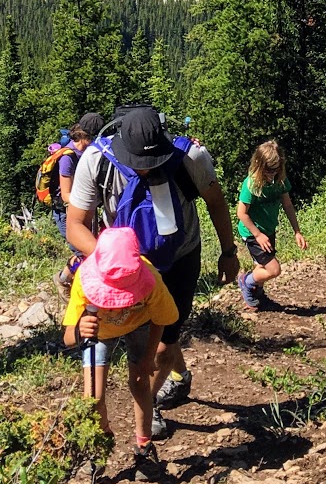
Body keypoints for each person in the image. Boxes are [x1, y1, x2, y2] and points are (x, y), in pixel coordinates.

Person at [66, 104, 241, 437]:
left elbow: (216, 202)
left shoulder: (190, 156)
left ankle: (153, 403)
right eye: (139, 165)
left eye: (153, 163)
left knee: (163, 341)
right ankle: (175, 379)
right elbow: (75, 224)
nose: (146, 170)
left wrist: (229, 252)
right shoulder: (97, 161)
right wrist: (108, 258)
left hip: (179, 258)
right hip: (117, 271)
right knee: (141, 340)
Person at [62, 226, 176, 478]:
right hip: (99, 333)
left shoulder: (151, 279)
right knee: (92, 397)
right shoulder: (83, 278)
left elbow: (161, 318)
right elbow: (68, 338)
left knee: (140, 383)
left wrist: (148, 358)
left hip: (139, 325)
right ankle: (101, 441)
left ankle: (144, 447)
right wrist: (80, 329)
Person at [236, 139, 307, 310]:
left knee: (261, 266)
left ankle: (258, 295)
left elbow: (288, 205)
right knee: (274, 270)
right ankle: (246, 282)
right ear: (259, 164)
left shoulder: (280, 181)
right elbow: (241, 214)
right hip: (252, 232)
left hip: (268, 230)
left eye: (275, 170)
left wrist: (297, 231)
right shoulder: (251, 184)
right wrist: (257, 235)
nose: (271, 174)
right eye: (268, 170)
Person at [53, 114, 101, 296]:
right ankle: (64, 280)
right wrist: (89, 200)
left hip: (83, 209)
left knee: (87, 250)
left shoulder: (84, 154)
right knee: (85, 251)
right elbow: (66, 194)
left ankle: (71, 282)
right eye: (92, 138)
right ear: (84, 138)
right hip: (66, 212)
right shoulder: (68, 158)